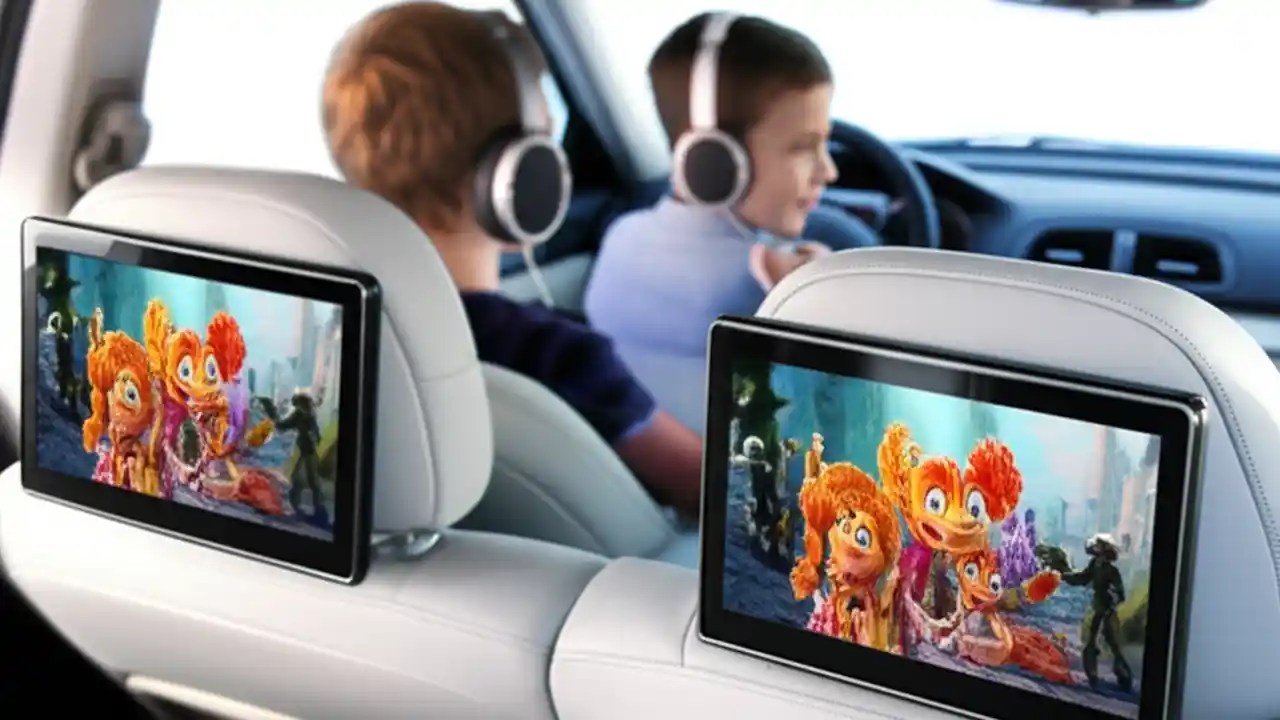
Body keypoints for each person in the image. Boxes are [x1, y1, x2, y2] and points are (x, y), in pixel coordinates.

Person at [320, 2, 703, 516]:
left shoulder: (341, 340)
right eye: (545, 139)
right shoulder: (558, 356)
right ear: (516, 173)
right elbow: (712, 490)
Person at [583, 13, 839, 367]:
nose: (828, 171)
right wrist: (823, 280)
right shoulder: (775, 296)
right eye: (802, 147)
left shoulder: (620, 238)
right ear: (715, 156)